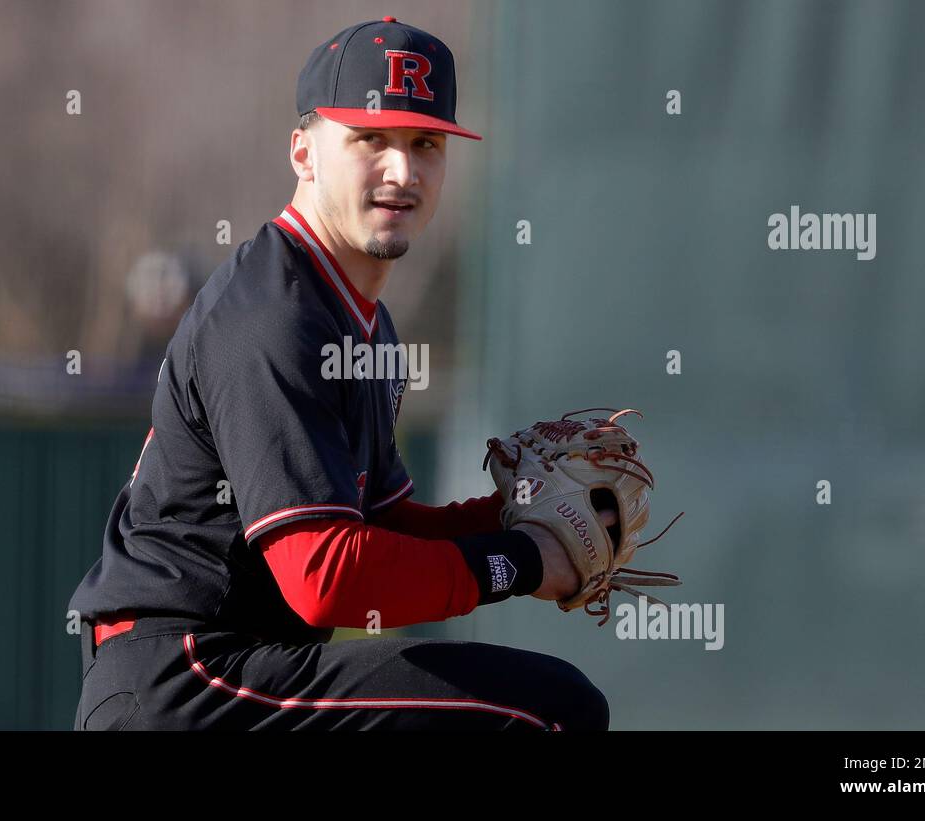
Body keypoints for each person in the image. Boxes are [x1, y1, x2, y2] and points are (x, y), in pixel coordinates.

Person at [68, 16, 612, 731]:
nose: (402, 170)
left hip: (235, 671)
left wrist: (513, 514)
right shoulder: (272, 316)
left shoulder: (362, 321)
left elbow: (382, 527)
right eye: (370, 139)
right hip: (188, 681)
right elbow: (324, 576)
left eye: (425, 143)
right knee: (553, 709)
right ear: (304, 152)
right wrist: (518, 560)